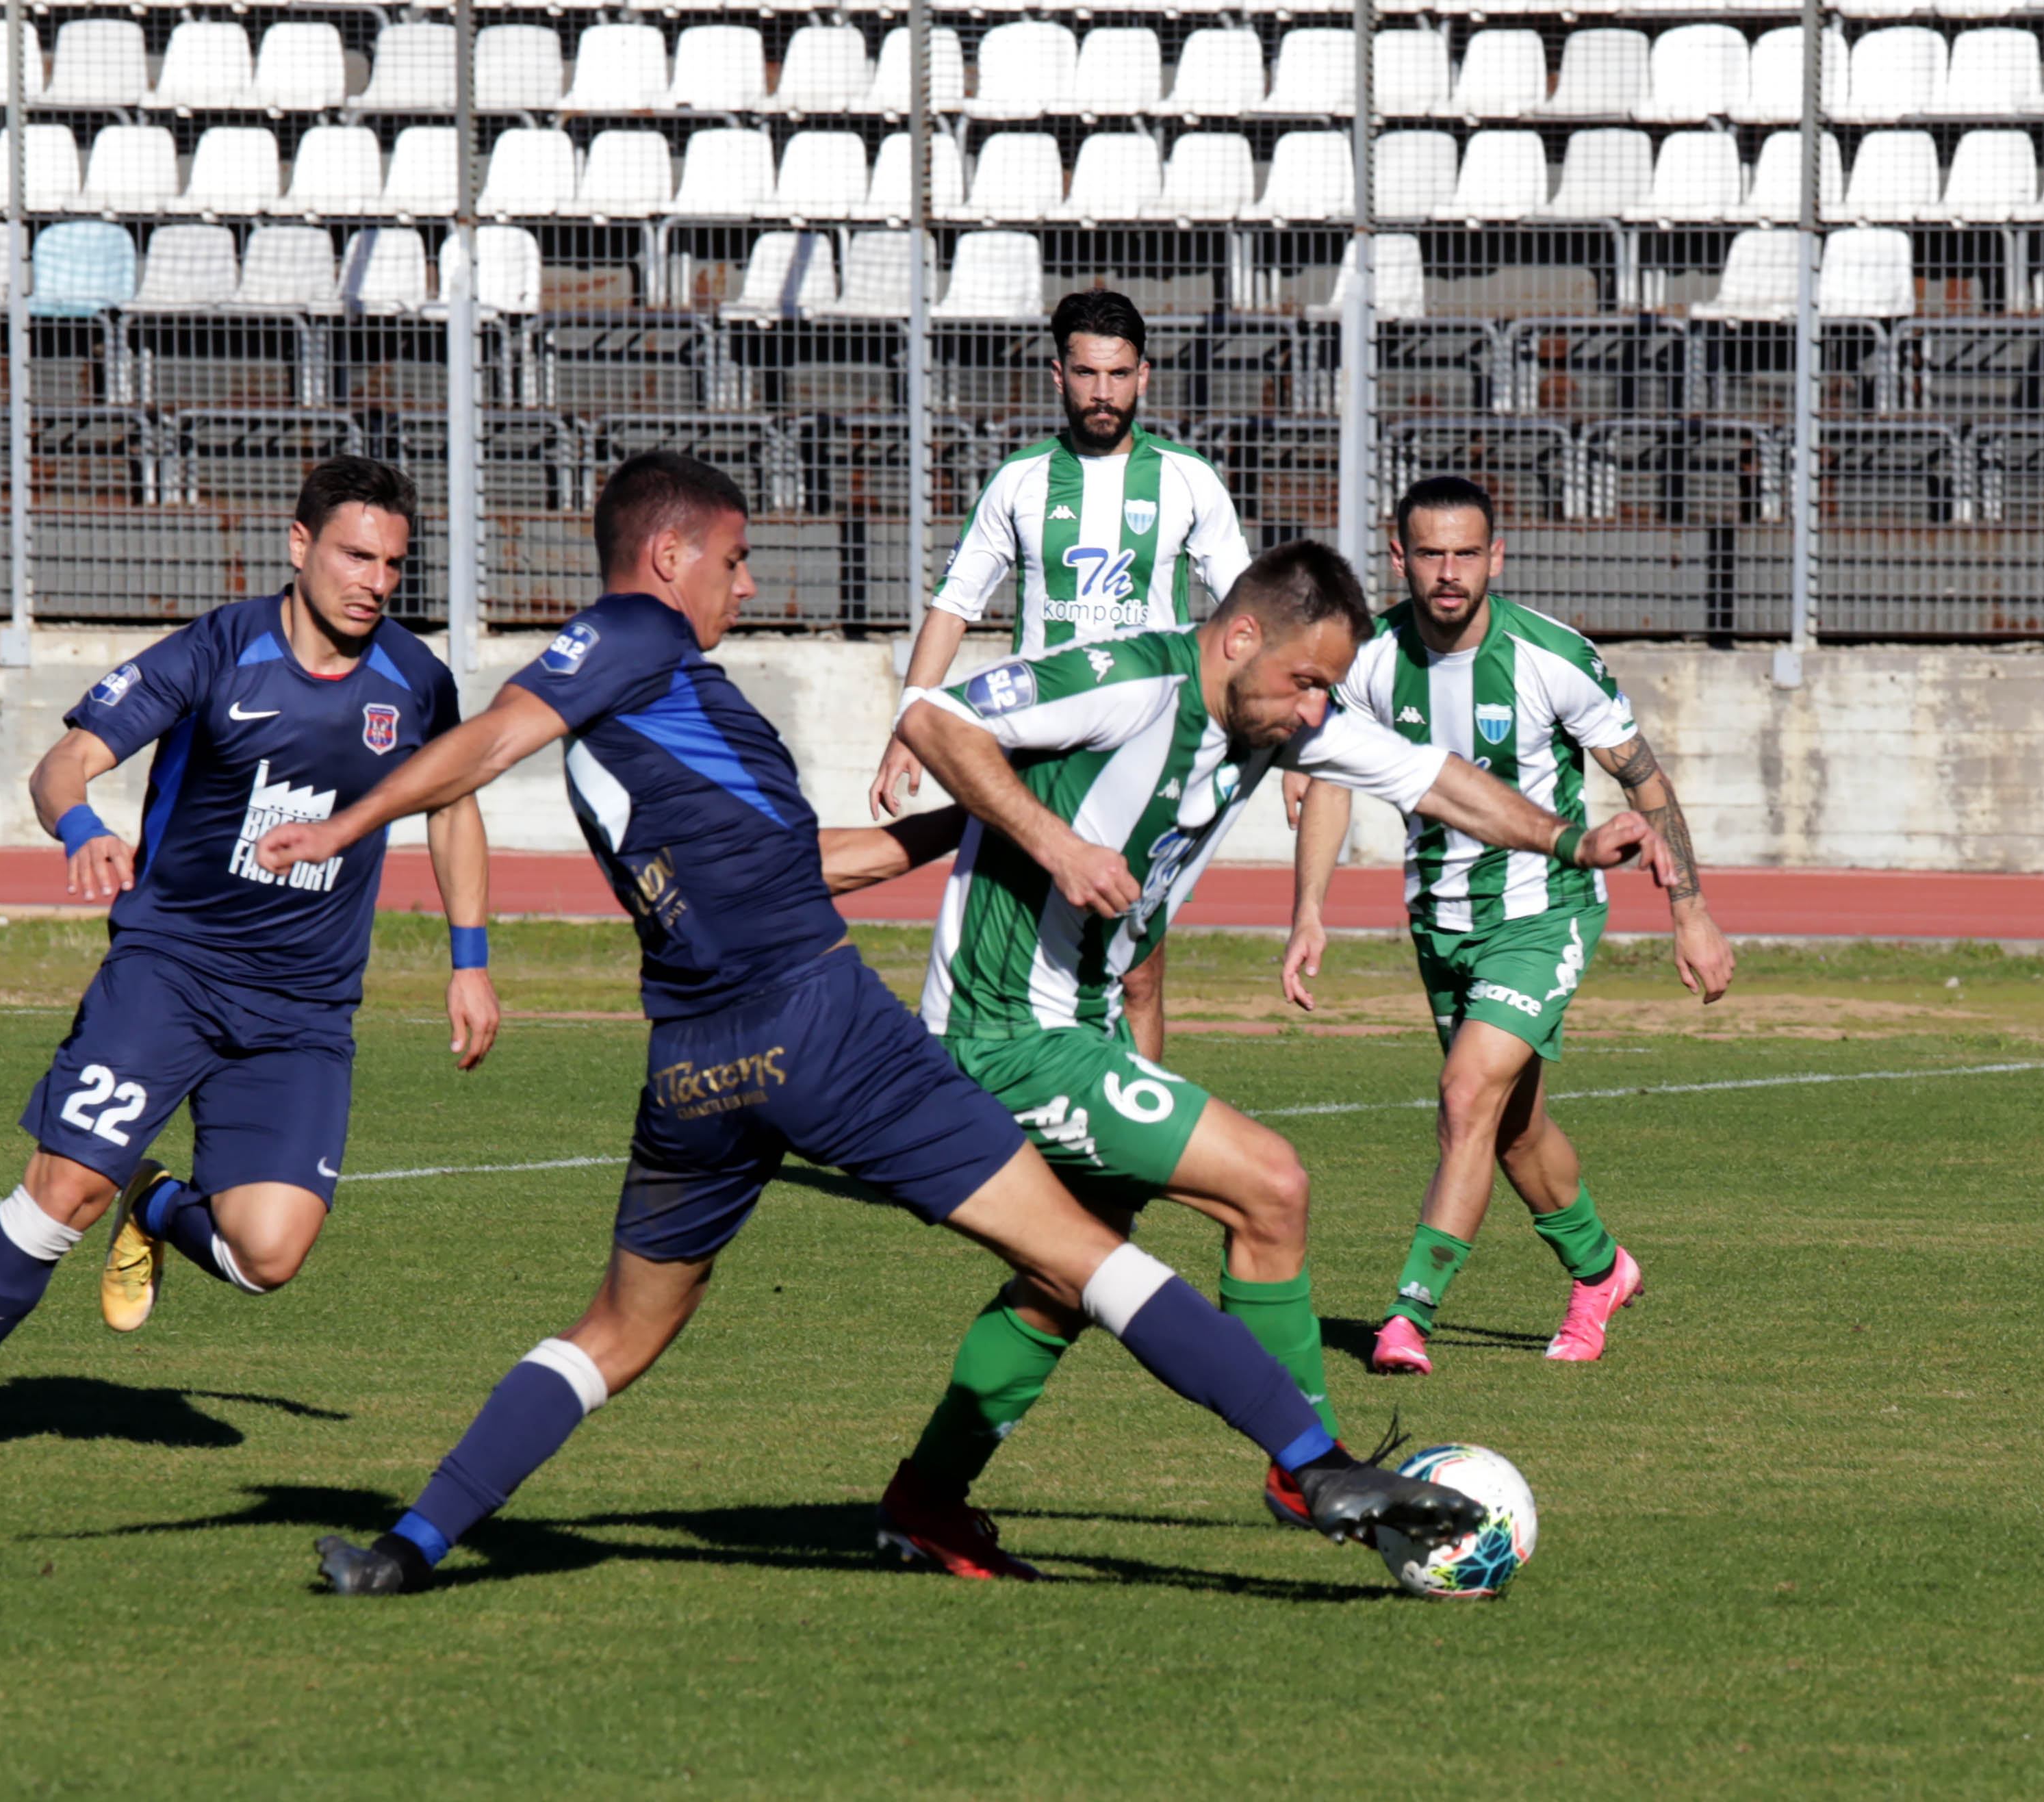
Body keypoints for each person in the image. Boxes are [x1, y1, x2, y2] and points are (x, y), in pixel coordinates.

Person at [255, 452, 1485, 1597]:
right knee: (1081, 1252)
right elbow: (485, 741)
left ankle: (413, 1544)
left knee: (615, 1331)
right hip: (823, 1028)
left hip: (694, 1066)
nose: (748, 582)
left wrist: (992, 813)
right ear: (671, 556)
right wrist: (342, 824)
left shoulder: (663, 708)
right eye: (735, 560)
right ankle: (1311, 1458)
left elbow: (816, 860)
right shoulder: (630, 630)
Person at [869, 538, 1673, 1579]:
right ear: (1240, 637)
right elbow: (935, 716)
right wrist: (1053, 840)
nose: (1313, 711)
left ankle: (927, 1502)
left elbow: (1432, 780)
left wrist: (1566, 840)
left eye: (1328, 689)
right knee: (1269, 1182)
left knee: (1065, 1276)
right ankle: (1310, 1463)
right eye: (1305, 682)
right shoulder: (1132, 681)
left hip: (1077, 1027)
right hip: (1003, 1035)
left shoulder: (1283, 718)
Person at [0, 457, 498, 1459]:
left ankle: (154, 1200)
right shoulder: (218, 650)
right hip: (173, 973)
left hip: (304, 1009)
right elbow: (62, 761)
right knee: (63, 1187)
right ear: (299, 546)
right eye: (354, 555)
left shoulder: (418, 683)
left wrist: (471, 960)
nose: (375, 580)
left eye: (392, 563)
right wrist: (82, 829)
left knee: (269, 1257)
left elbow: (454, 805)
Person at [1286, 475, 1735, 1375]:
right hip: (1439, 920)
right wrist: (1309, 912)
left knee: (1463, 1097)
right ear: (1399, 554)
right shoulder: (1369, 657)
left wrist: (1692, 913)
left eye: (1466, 553)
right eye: (1430, 553)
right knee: (1512, 1127)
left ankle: (1408, 1316)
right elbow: (1332, 779)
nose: (1448, 574)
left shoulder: (1549, 658)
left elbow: (1645, 782)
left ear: (1497, 556)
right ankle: (1602, 1271)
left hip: (1543, 912)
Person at [869, 290, 1267, 1061]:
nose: (1102, 392)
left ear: (1144, 377)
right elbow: (954, 607)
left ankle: (1136, 1130)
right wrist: (907, 726)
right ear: (1057, 375)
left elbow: (1249, 619)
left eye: (1118, 374)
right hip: (1038, 747)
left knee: (1137, 967)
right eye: (1086, 373)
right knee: (1002, 942)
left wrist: (1280, 745)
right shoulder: (1019, 481)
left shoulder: (1187, 481)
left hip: (1145, 751)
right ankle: (993, 1131)